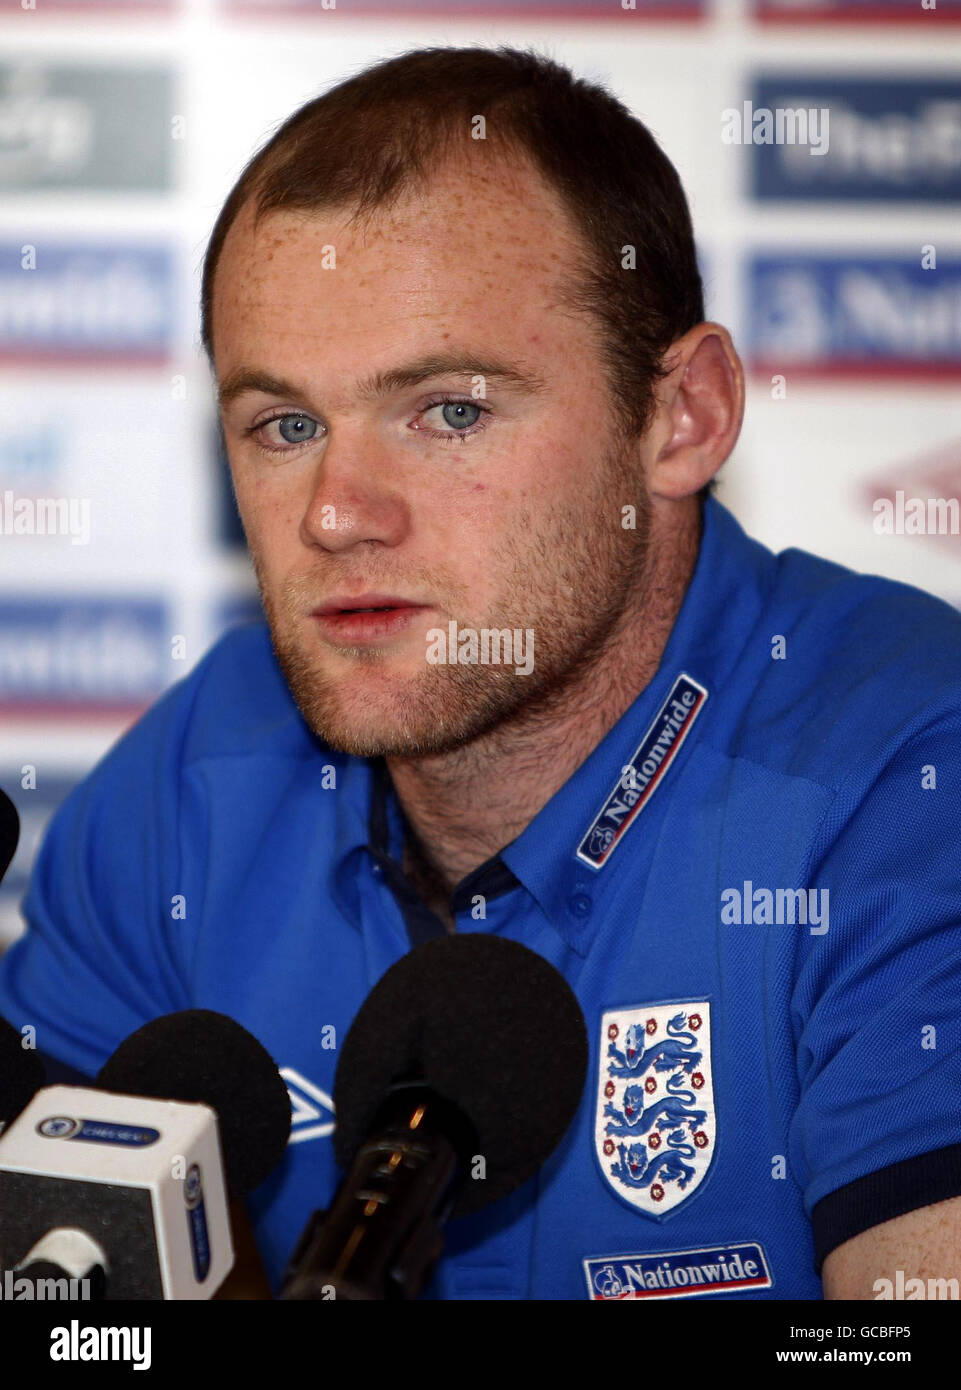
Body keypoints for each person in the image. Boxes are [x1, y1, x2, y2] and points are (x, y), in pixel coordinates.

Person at [2, 45, 960, 1302]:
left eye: (449, 410)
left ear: (683, 416)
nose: (338, 514)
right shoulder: (187, 782)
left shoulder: (908, 774)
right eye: (286, 426)